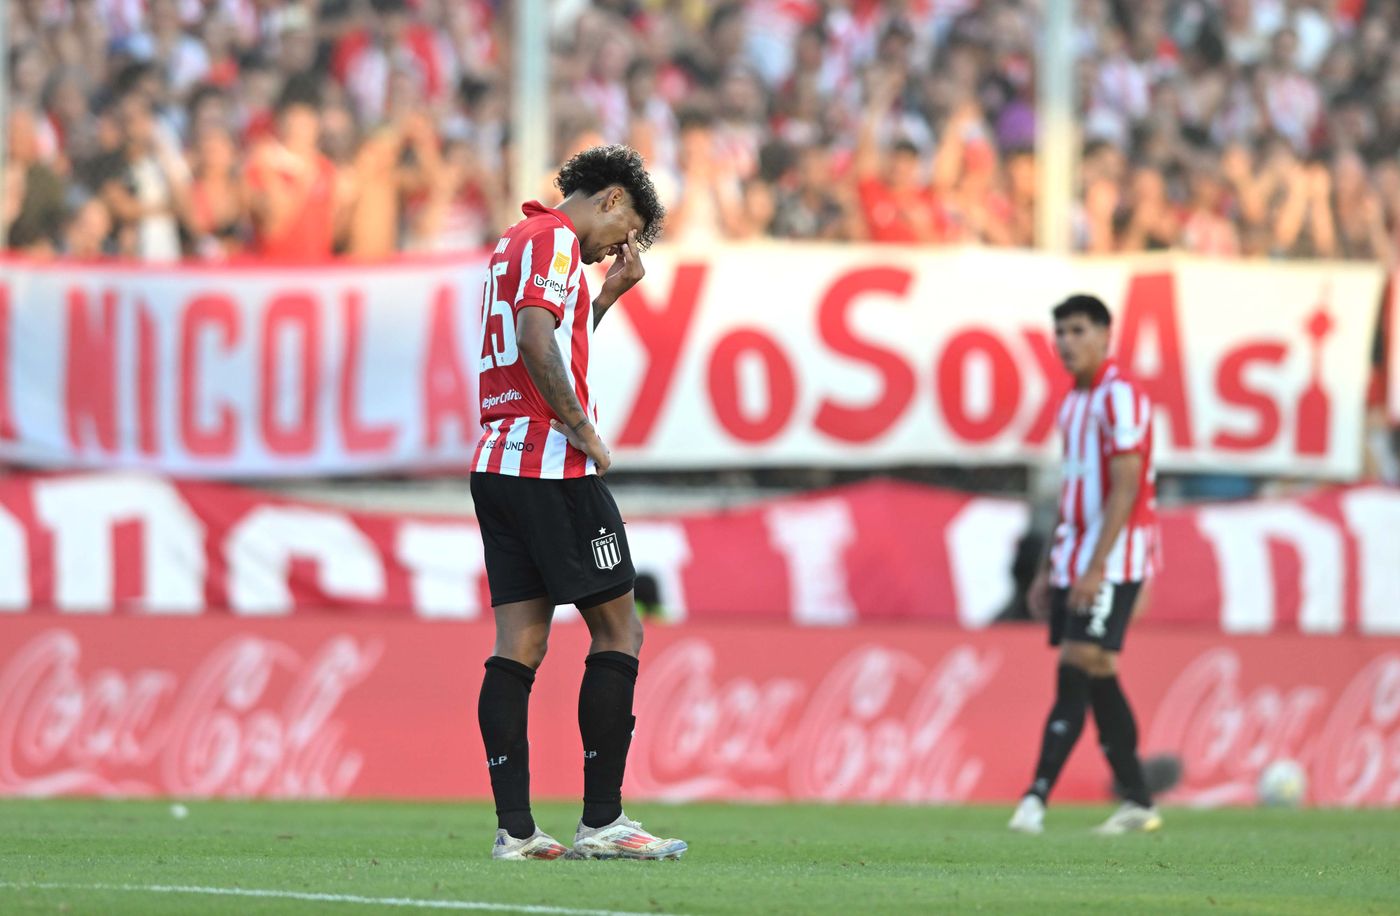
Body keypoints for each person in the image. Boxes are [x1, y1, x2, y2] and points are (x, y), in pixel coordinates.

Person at [469, 145, 686, 862]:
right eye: (619, 238)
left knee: (521, 646)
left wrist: (607, 296)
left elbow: (548, 343)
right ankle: (604, 821)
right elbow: (536, 341)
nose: (611, 253)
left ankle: (517, 831)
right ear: (613, 199)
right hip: (548, 464)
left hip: (498, 463)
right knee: (620, 631)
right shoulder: (557, 239)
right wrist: (584, 429)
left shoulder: (515, 242)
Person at [1009, 294, 1164, 837]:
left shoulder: (1120, 396)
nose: (1066, 343)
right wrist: (1049, 568)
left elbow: (1126, 484)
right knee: (1098, 671)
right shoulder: (1072, 403)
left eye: (1077, 331)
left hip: (1115, 557)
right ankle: (1138, 798)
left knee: (1077, 662)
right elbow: (1073, 492)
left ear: (1105, 334)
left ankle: (1035, 797)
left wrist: (1096, 567)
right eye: (1060, 333)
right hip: (1077, 556)